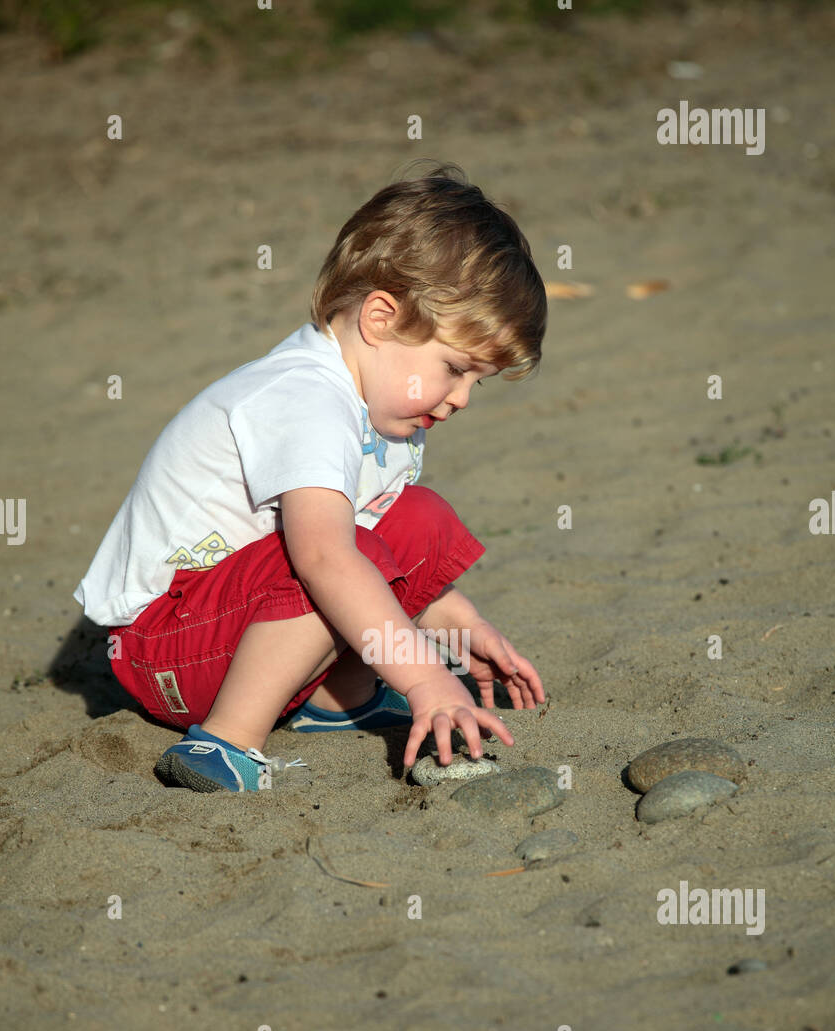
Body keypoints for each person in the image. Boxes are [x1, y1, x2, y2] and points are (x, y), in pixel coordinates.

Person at [73, 163, 547, 792]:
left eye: (474, 382)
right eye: (454, 368)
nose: (461, 398)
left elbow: (383, 552)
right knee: (342, 552)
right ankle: (224, 740)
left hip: (235, 623)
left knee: (418, 519)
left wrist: (461, 626)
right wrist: (424, 676)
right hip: (165, 649)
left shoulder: (383, 411)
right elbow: (326, 558)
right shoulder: (307, 397)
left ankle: (336, 699)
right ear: (380, 319)